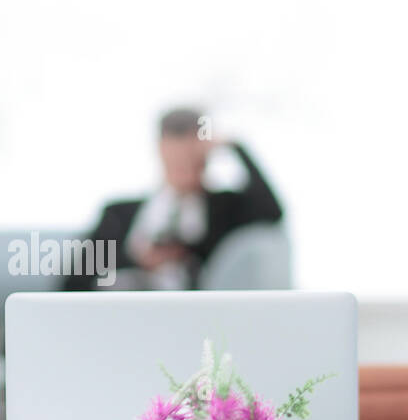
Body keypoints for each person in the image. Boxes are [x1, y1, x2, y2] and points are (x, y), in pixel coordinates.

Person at [61, 108, 284, 291]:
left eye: (192, 157)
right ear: (161, 150)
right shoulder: (119, 213)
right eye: (176, 158)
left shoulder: (225, 208)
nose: (184, 167)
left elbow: (273, 212)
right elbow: (73, 282)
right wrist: (138, 260)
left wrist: (233, 146)